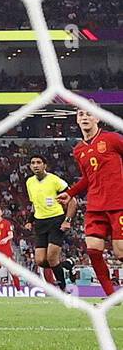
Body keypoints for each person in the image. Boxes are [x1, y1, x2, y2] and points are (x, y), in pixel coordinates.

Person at [57, 109, 123, 296]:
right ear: (77, 120)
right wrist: (70, 193)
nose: (85, 117)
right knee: (93, 251)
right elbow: (87, 178)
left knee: (120, 253)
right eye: (80, 115)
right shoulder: (78, 150)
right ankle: (111, 295)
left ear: (98, 118)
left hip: (119, 204)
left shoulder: (112, 139)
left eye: (89, 114)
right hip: (95, 207)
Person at [24, 154, 74, 290]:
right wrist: (30, 220)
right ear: (30, 166)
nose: (35, 165)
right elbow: (34, 204)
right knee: (40, 260)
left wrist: (67, 220)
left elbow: (73, 200)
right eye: (33, 163)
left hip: (56, 220)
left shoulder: (55, 180)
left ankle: (62, 287)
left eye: (39, 162)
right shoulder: (29, 182)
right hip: (40, 223)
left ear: (44, 165)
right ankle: (67, 265)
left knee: (52, 257)